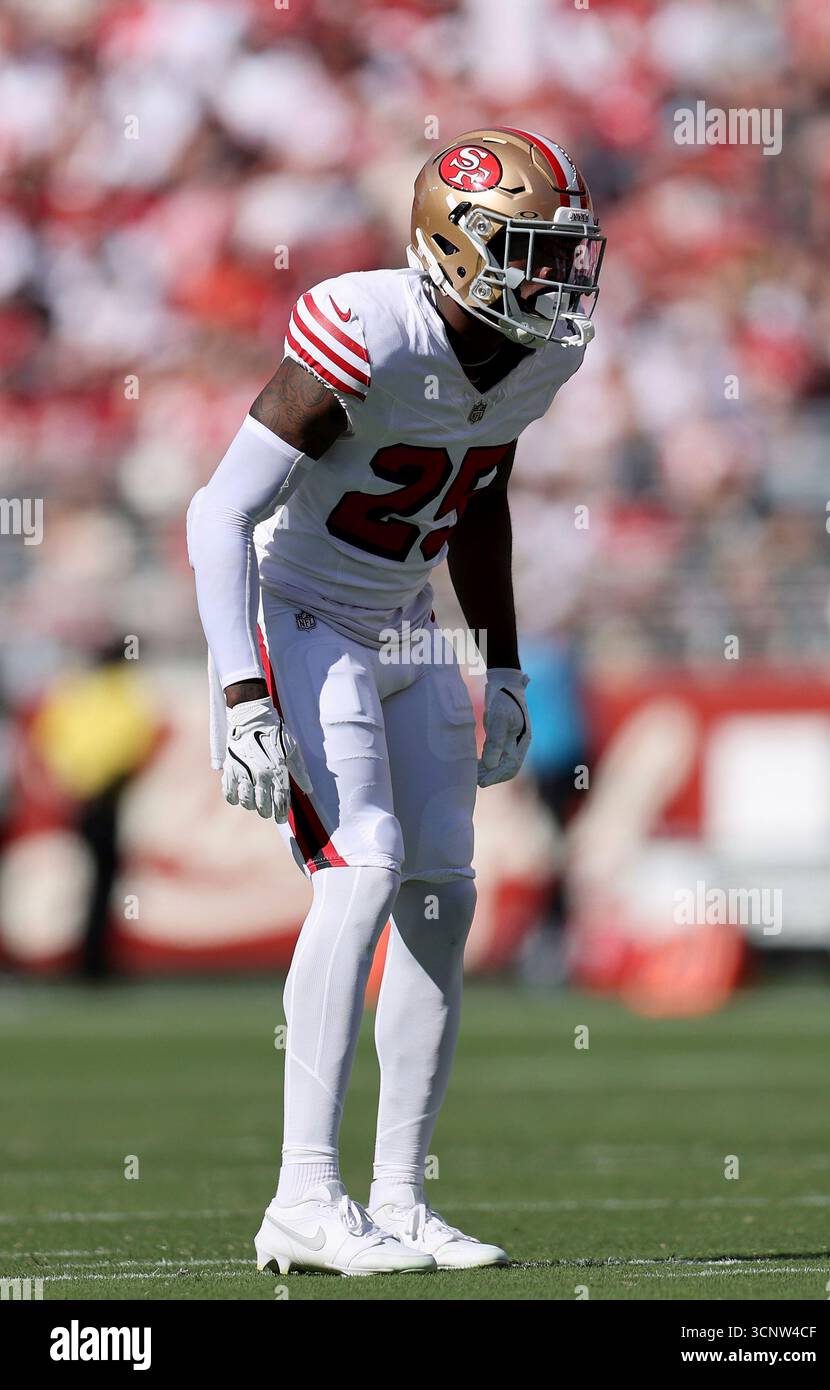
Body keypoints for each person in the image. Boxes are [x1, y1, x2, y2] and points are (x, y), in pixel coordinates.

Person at [187, 127, 605, 1276]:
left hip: (410, 619)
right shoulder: (368, 328)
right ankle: (301, 1199)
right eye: (526, 250)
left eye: (561, 251)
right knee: (360, 865)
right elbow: (215, 512)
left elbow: (477, 502)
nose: (554, 276)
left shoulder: (533, 360)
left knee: (439, 892)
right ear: (450, 247)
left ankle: (398, 1198)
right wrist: (239, 691)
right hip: (308, 612)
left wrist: (505, 664)